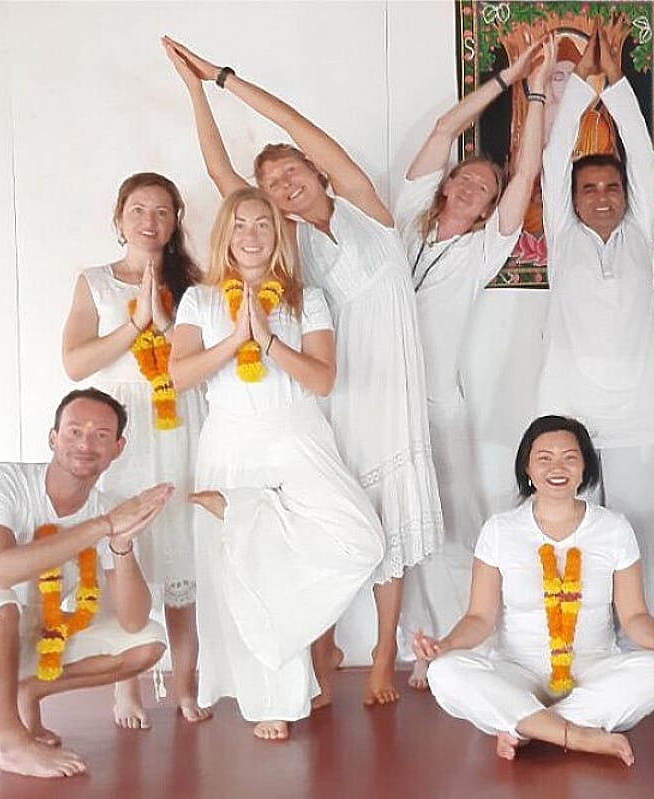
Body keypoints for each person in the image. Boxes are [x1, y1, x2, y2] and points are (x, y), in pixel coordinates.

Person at [164, 36, 442, 705]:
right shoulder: (287, 249)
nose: (285, 184)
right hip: (328, 394)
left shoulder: (370, 211)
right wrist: (193, 92)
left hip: (389, 390)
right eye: (271, 185)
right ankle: (320, 652)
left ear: (317, 172)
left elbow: (296, 125)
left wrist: (224, 78)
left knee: (388, 522)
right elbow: (221, 176)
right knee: (319, 521)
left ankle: (383, 655)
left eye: (293, 171)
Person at [169, 188, 384, 740]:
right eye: (240, 224)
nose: (251, 235)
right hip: (230, 441)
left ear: (278, 234)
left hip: (296, 435)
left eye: (263, 224)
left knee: (362, 540)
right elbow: (180, 375)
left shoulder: (306, 299)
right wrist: (235, 339)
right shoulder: (200, 300)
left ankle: (304, 653)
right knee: (241, 566)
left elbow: (323, 379)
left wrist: (266, 342)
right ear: (225, 234)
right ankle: (273, 700)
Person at [394, 39, 556, 689]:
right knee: (398, 529)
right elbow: (443, 130)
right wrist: (504, 79)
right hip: (383, 401)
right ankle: (417, 645)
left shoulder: (484, 250)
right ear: (445, 185)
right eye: (464, 178)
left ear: (491, 207)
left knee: (452, 527)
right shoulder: (406, 222)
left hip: (439, 405)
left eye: (485, 187)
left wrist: (535, 94)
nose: (471, 186)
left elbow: (527, 171)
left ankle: (465, 643)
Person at [0, 389, 171, 778]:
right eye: (74, 431)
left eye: (101, 435)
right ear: (53, 438)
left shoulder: (108, 509)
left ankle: (29, 690)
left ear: (117, 448)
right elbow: (0, 570)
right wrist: (103, 526)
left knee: (148, 642)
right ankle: (12, 744)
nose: (85, 444)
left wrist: (121, 544)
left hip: (31, 637)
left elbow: (133, 620)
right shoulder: (1, 480)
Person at [415, 416, 654, 765]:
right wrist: (445, 645)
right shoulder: (500, 530)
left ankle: (527, 726)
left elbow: (634, 615)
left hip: (593, 671)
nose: (557, 467)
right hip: (517, 672)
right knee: (444, 672)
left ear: (584, 467)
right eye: (544, 458)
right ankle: (576, 734)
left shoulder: (613, 528)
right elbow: (479, 618)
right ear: (527, 468)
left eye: (570, 457)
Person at [536, 19, 654, 612]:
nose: (602, 195)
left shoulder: (639, 233)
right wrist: (581, 87)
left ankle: (643, 636)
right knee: (576, 533)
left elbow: (644, 162)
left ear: (625, 194)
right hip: (572, 410)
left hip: (639, 413)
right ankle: (586, 633)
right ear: (572, 200)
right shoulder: (564, 237)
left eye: (611, 187)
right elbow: (553, 159)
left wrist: (615, 84)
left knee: (640, 533)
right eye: (589, 187)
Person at [61, 172, 210, 728]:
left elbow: (197, 361)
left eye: (162, 212)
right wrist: (135, 325)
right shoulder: (95, 282)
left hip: (178, 420)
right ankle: (125, 690)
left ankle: (185, 686)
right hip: (119, 426)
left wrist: (163, 321)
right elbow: (76, 363)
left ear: (175, 223)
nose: (150, 221)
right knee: (124, 551)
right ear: (120, 218)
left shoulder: (193, 284)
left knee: (181, 554)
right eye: (139, 210)